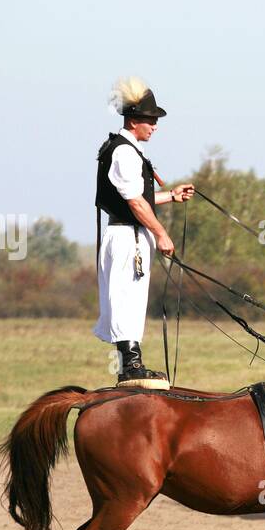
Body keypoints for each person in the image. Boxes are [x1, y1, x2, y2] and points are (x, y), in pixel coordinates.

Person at [93, 76, 194, 387]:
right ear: (134, 119)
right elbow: (135, 203)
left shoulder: (129, 149)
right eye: (150, 120)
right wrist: (162, 234)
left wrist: (171, 196)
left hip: (132, 234)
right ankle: (130, 364)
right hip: (127, 236)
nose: (155, 126)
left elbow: (139, 198)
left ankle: (132, 363)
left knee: (133, 296)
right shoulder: (124, 152)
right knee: (125, 295)